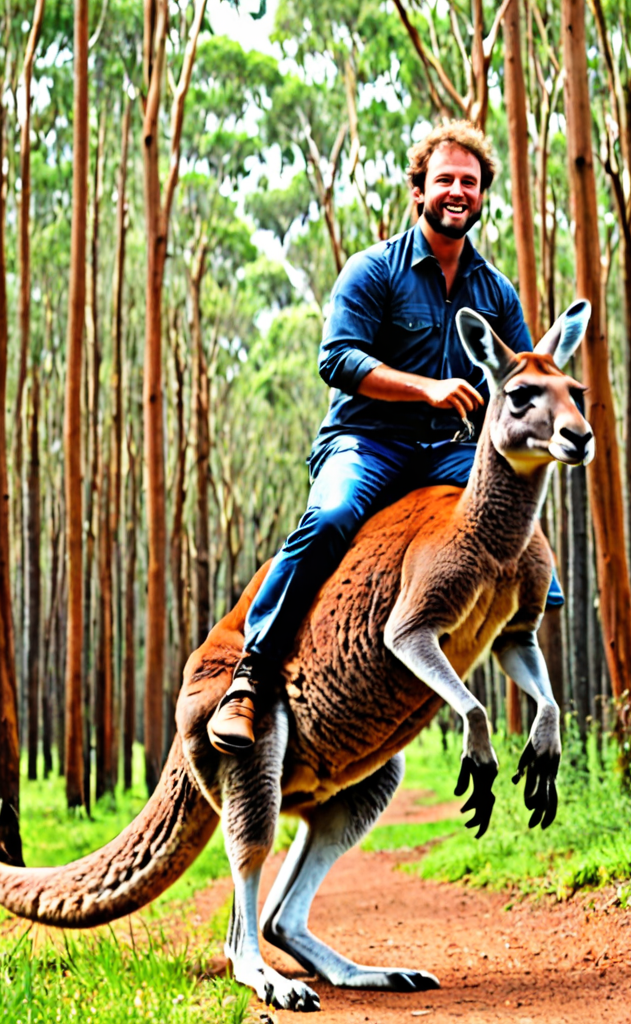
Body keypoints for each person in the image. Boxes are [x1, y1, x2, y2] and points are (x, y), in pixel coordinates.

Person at [208, 120, 562, 755]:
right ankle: (249, 677)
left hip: (451, 451)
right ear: (419, 189)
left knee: (526, 539)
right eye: (446, 180)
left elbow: (526, 376)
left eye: (471, 183)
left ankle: (523, 651)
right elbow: (338, 359)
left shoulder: (496, 290)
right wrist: (425, 388)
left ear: (483, 196)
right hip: (367, 442)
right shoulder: (373, 270)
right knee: (331, 518)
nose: (458, 191)